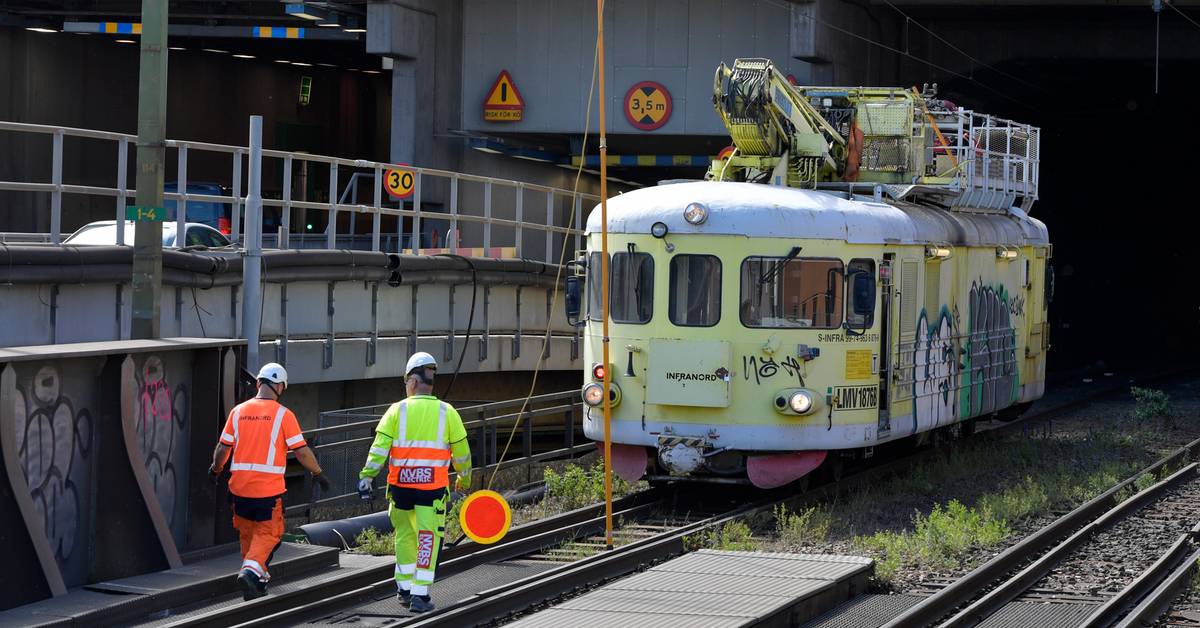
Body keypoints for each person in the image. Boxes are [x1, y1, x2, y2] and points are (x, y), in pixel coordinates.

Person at [357, 352, 472, 613]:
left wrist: (367, 476)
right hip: (431, 492)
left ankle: (404, 588)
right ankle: (420, 595)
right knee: (428, 539)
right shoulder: (447, 412)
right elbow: (462, 454)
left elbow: (379, 449)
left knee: (405, 537)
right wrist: (464, 480)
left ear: (412, 381)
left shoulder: (396, 410)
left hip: (400, 490)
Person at [209, 362, 329, 601]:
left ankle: (256, 582)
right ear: (281, 387)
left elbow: (223, 448)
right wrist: (318, 473)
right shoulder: (284, 415)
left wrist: (215, 469)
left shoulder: (238, 411)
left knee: (248, 535)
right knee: (269, 534)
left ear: (258, 383)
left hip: (239, 490)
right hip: (267, 492)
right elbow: (301, 451)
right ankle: (250, 571)